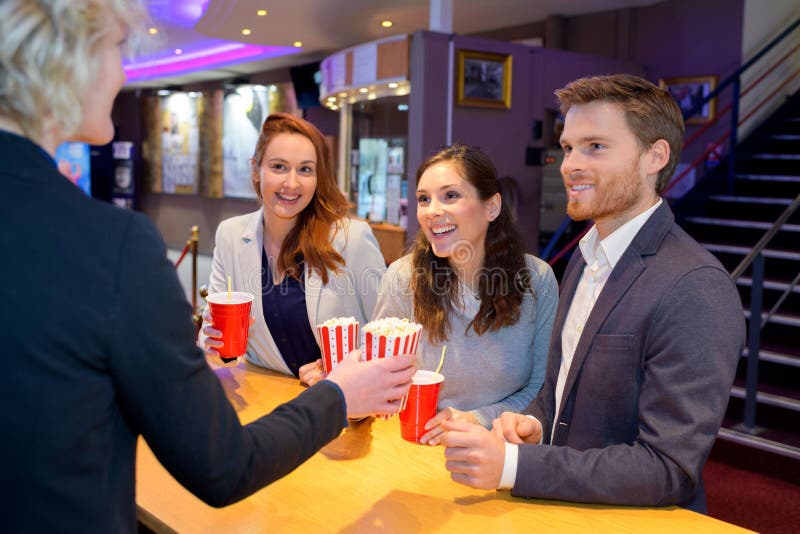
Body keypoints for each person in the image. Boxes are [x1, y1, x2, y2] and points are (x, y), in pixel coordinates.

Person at [0, 1, 416, 532]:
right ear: (65, 65)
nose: (123, 72)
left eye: (305, 169)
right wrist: (337, 395)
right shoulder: (114, 245)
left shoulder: (349, 239)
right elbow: (223, 464)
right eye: (114, 50)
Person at [439, 74, 745, 512]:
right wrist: (534, 427)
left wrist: (513, 466)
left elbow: (668, 468)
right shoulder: (583, 258)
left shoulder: (695, 286)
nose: (569, 165)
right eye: (567, 148)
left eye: (595, 147)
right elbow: (562, 391)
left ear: (654, 156)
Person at [372, 144, 558, 444]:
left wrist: (476, 418)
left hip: (500, 450)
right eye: (424, 199)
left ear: (492, 207)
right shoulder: (402, 278)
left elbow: (541, 387)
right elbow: (378, 377)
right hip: (414, 445)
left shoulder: (538, 280)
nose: (433, 210)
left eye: (450, 196)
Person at [199, 113, 387, 382]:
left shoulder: (352, 239)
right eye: (279, 167)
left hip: (340, 408)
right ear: (255, 169)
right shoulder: (230, 235)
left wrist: (339, 369)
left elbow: (389, 335)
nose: (292, 183)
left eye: (305, 169)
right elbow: (212, 326)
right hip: (266, 403)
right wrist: (210, 340)